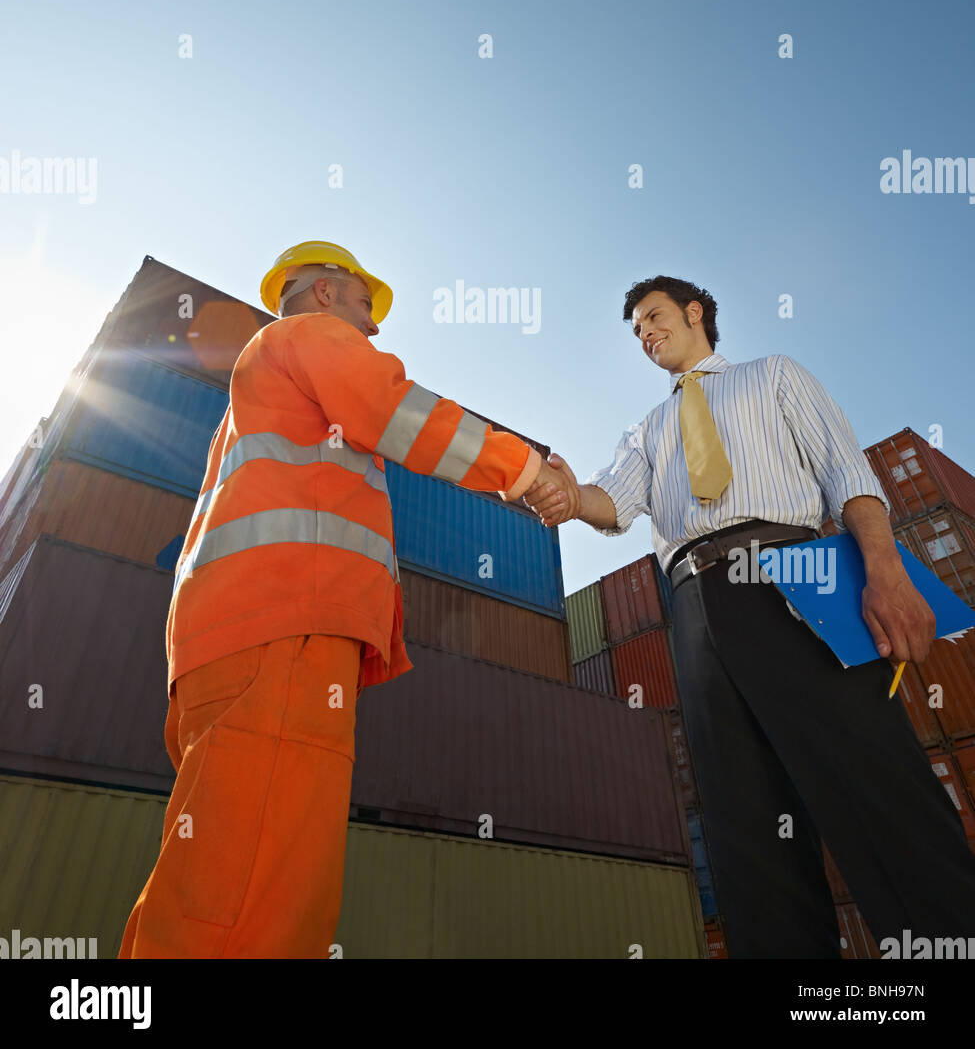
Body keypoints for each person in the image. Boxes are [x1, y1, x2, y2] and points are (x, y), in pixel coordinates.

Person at [118, 240, 572, 959]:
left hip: (232, 642)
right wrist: (526, 470)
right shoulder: (308, 335)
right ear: (325, 293)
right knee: (261, 896)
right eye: (365, 302)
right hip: (283, 634)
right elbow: (391, 408)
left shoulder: (253, 401)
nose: (374, 325)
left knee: (215, 874)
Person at [525, 274, 975, 959]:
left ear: (695, 313)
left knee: (874, 787)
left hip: (791, 577)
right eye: (637, 330)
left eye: (654, 316)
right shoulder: (646, 430)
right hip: (693, 606)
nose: (645, 334)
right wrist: (566, 495)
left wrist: (885, 573)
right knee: (746, 830)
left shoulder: (773, 375)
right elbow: (611, 502)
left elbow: (847, 472)